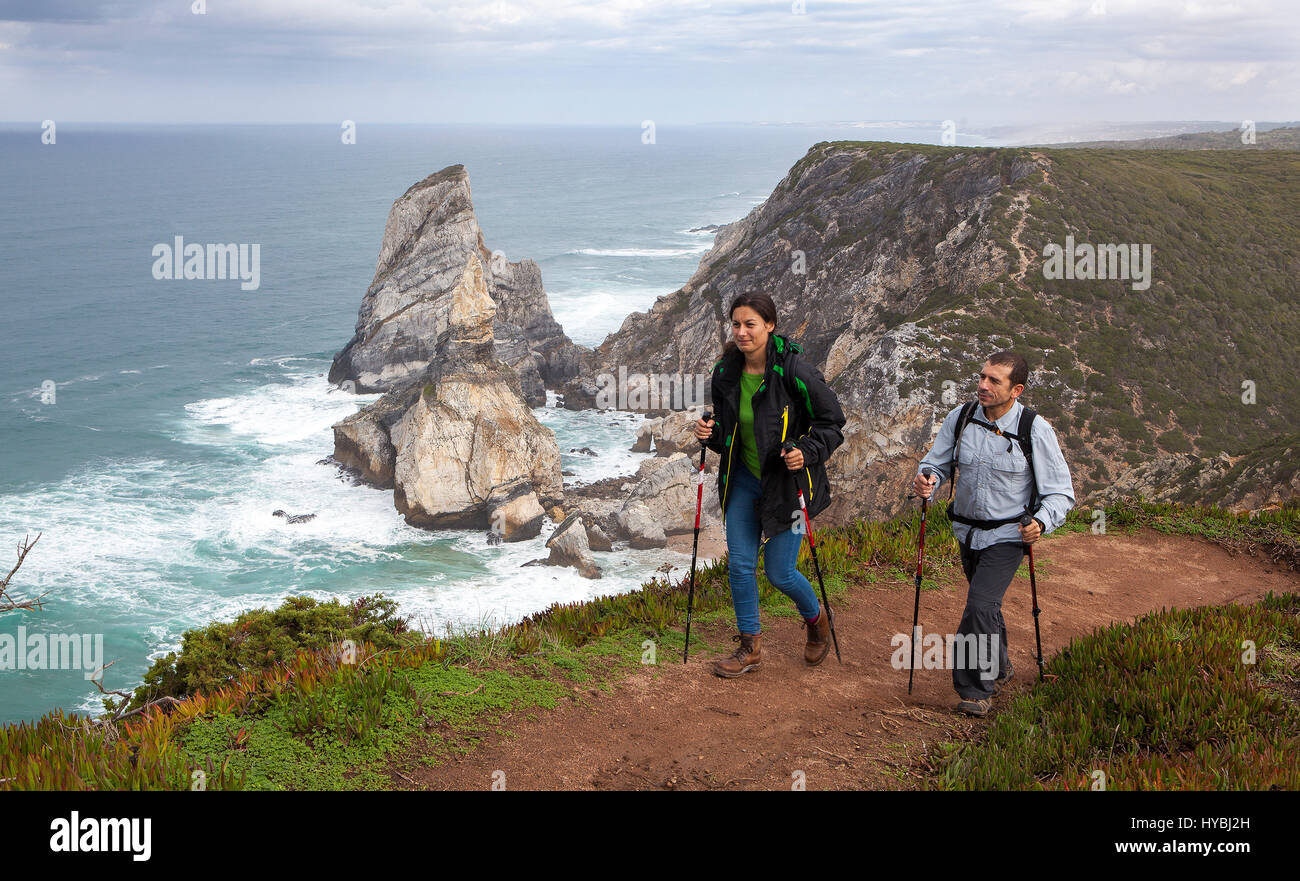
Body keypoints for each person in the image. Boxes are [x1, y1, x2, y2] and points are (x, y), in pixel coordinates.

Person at [693, 293, 846, 678]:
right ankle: (750, 647)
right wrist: (709, 434)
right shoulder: (726, 372)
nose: (742, 332)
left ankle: (816, 621)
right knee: (741, 565)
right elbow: (728, 432)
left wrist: (806, 451)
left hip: (787, 485)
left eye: (751, 324)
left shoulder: (795, 372)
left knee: (780, 573)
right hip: (742, 480)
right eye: (736, 324)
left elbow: (832, 423)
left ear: (770, 325)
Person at [913, 352, 1075, 716]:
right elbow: (936, 461)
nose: (983, 385)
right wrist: (929, 479)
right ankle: (1000, 668)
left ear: (1016, 390)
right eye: (982, 377)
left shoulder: (1035, 430)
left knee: (979, 605)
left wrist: (1042, 522)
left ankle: (975, 690)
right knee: (987, 606)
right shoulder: (962, 417)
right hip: (966, 532)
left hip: (1008, 535)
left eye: (994, 381)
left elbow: (1061, 493)